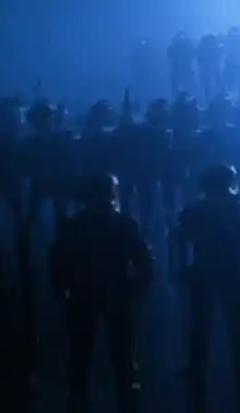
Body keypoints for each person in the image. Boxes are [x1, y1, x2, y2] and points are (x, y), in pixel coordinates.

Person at [49, 172, 154, 413]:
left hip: (81, 294)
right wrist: (136, 290)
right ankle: (127, 401)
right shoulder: (125, 224)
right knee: (123, 356)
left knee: (80, 352)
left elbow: (57, 261)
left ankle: (77, 397)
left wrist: (60, 289)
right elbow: (144, 262)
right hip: (117, 294)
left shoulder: (71, 225)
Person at [176, 164, 240, 408]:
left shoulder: (193, 211)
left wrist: (183, 270)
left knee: (199, 326)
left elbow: (180, 242)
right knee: (239, 327)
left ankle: (196, 370)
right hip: (232, 273)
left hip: (203, 271)